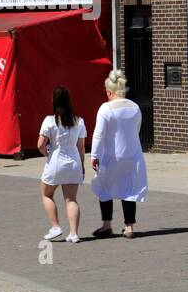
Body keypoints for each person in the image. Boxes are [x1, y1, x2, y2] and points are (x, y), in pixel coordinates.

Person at [90, 69, 148, 239]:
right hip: (132, 154)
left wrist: (94, 155)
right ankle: (129, 226)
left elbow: (99, 134)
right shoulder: (135, 107)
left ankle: (106, 225)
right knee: (129, 188)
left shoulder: (105, 109)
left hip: (111, 155)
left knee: (104, 187)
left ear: (109, 91)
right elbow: (136, 129)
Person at [38, 86, 86, 243]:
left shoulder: (50, 121)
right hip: (74, 162)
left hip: (56, 160)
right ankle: (74, 233)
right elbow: (81, 147)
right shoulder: (79, 121)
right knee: (71, 199)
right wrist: (82, 166)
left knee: (47, 194)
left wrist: (47, 154)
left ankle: (56, 226)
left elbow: (40, 144)